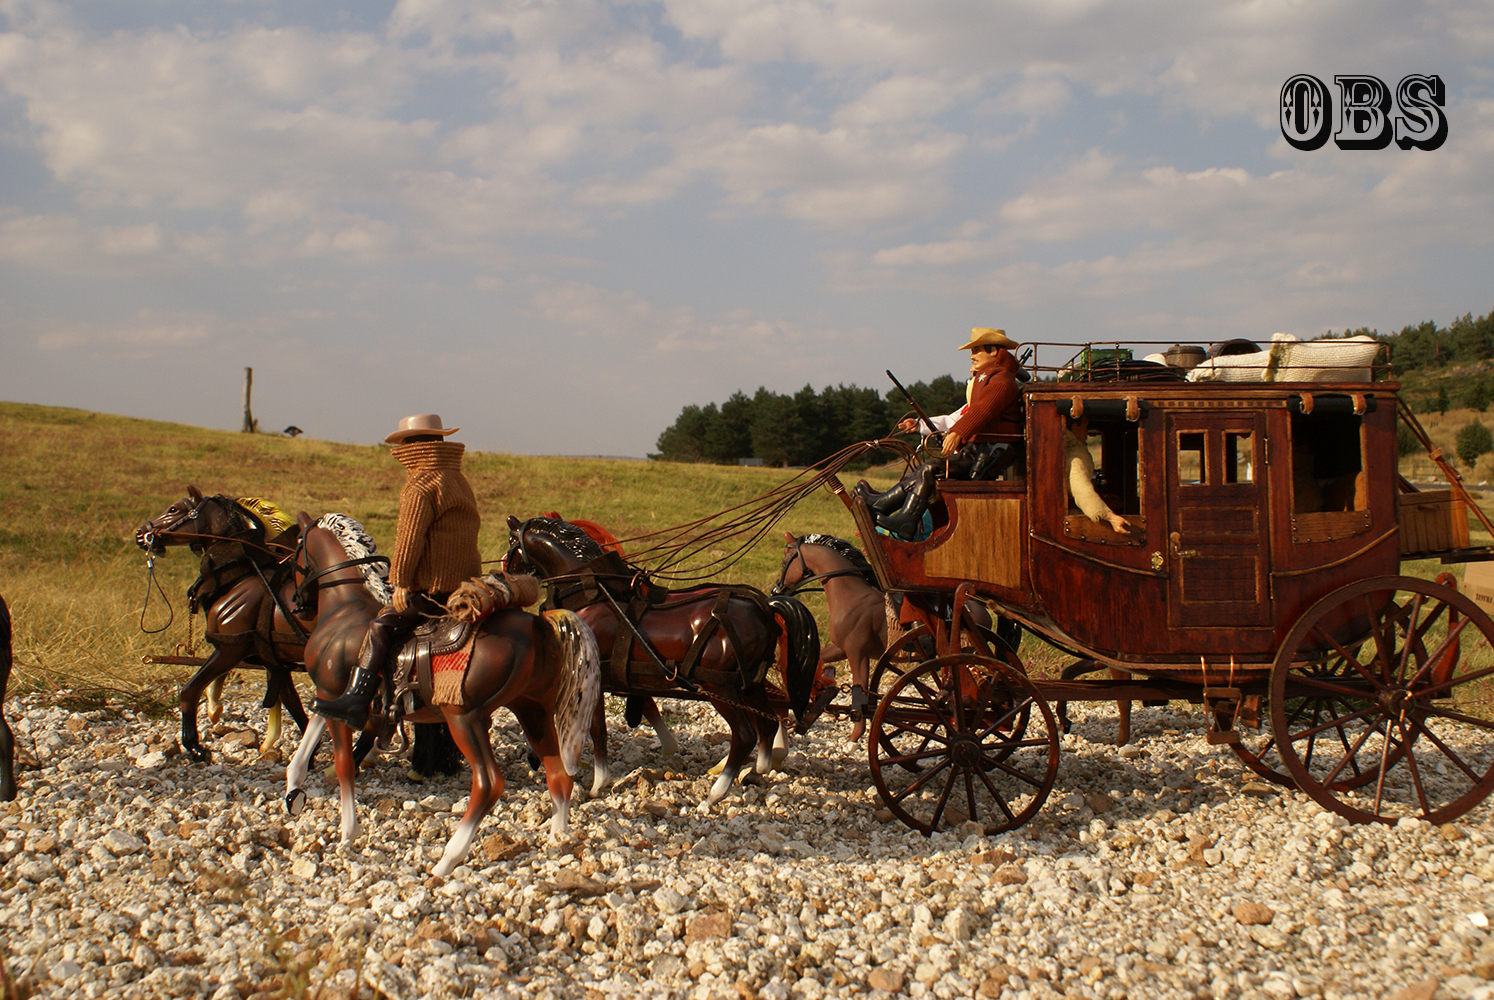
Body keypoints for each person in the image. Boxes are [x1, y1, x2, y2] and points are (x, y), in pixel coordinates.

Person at [314, 414, 482, 729]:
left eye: (403, 444)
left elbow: (409, 540)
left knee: (380, 626)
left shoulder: (420, 485)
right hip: (465, 584)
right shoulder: (457, 478)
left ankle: (356, 700)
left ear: (414, 447)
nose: (398, 452)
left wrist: (401, 583)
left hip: (433, 591)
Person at [856, 327, 1026, 539]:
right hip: (979, 449)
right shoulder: (987, 380)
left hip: (989, 452)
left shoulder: (1001, 381)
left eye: (977, 350)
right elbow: (955, 418)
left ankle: (904, 520)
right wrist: (920, 425)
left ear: (993, 351)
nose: (972, 356)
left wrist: (957, 433)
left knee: (929, 469)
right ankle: (883, 505)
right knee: (926, 468)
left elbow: (984, 410)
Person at [1064, 414, 1132, 534]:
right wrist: (1109, 516)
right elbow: (1080, 487)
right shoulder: (1076, 454)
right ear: (1075, 427)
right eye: (1085, 427)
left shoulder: (1069, 450)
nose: (1087, 433)